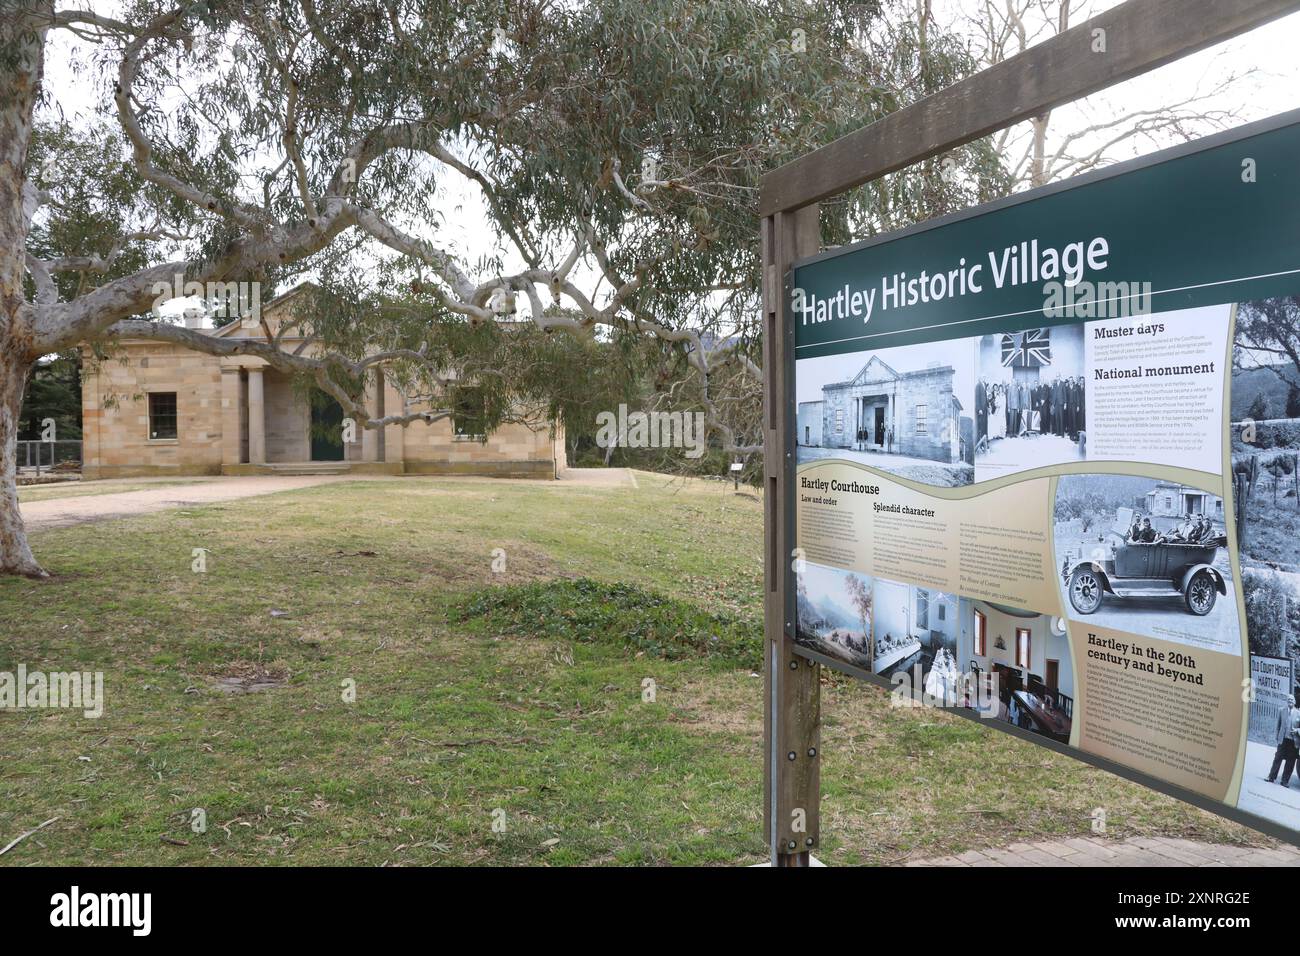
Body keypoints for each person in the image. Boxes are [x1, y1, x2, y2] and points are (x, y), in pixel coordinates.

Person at [1269, 695, 1300, 786]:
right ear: (1287, 701)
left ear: (1294, 702)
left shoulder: (1299, 713)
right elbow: (1278, 725)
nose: (1290, 701)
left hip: (1293, 741)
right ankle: (1271, 777)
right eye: (1288, 699)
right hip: (1283, 739)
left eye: (1292, 699)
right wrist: (1277, 736)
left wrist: (1297, 731)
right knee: (1277, 758)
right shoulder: (1281, 710)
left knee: (1290, 761)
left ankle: (1285, 781)